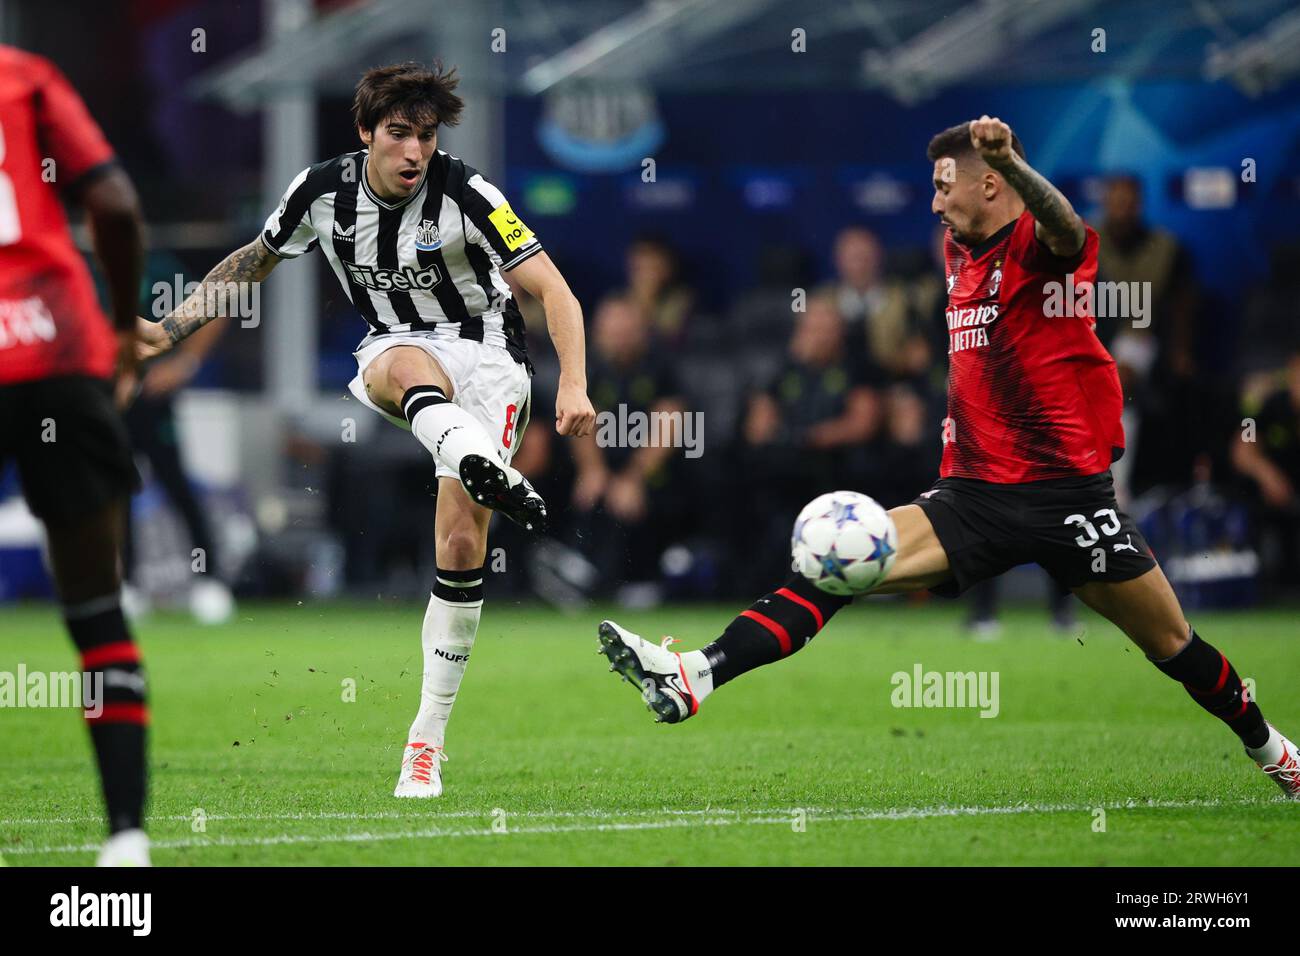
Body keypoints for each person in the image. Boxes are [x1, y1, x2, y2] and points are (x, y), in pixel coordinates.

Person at [596, 116, 1300, 800]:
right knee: (834, 568)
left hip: (1071, 498)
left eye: (944, 186)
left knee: (1173, 643)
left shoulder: (1042, 246)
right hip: (972, 497)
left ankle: (1273, 752)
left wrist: (1017, 163)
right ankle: (695, 673)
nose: (933, 203)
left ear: (992, 184)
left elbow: (1061, 225)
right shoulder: (957, 251)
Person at [136, 62, 595, 798]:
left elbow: (554, 290)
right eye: (399, 134)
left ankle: (426, 738)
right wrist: (169, 328)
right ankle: (470, 454)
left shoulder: (470, 192)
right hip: (402, 354)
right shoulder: (322, 192)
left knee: (460, 542)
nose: (415, 151)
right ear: (366, 133)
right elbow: (253, 263)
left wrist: (573, 382)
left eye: (426, 135)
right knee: (398, 361)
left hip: (492, 360)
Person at [0, 45, 151, 862]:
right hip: (61, 354)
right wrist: (123, 326)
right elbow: (118, 205)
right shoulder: (23, 75)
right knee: (96, 612)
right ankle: (127, 840)